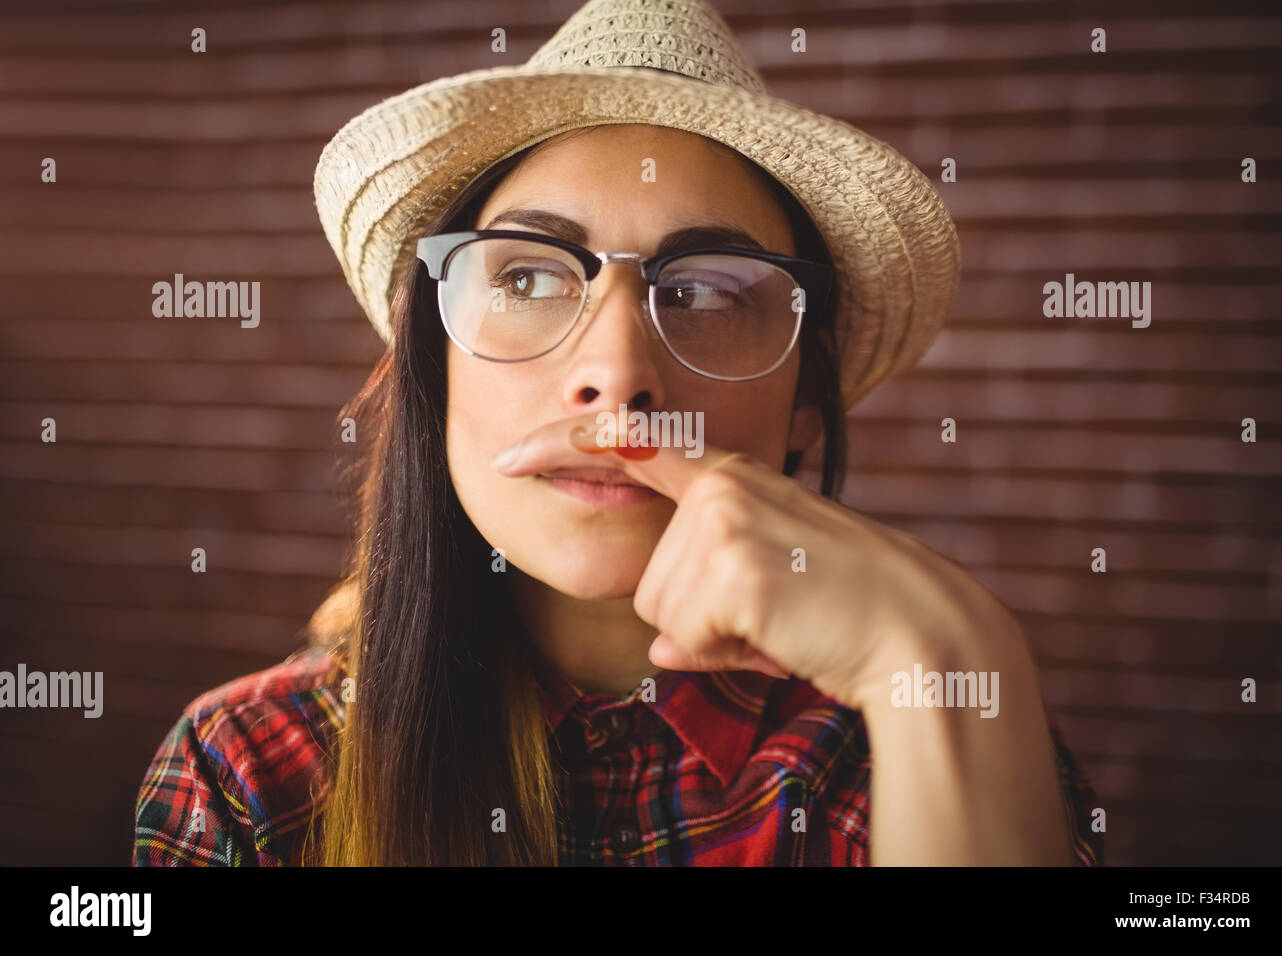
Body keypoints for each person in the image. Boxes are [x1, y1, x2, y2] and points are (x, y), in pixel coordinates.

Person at [133, 0, 1103, 866]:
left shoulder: (923, 752)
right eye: (526, 277)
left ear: (806, 397)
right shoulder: (248, 777)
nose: (620, 375)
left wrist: (940, 655)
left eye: (708, 292)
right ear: (433, 357)